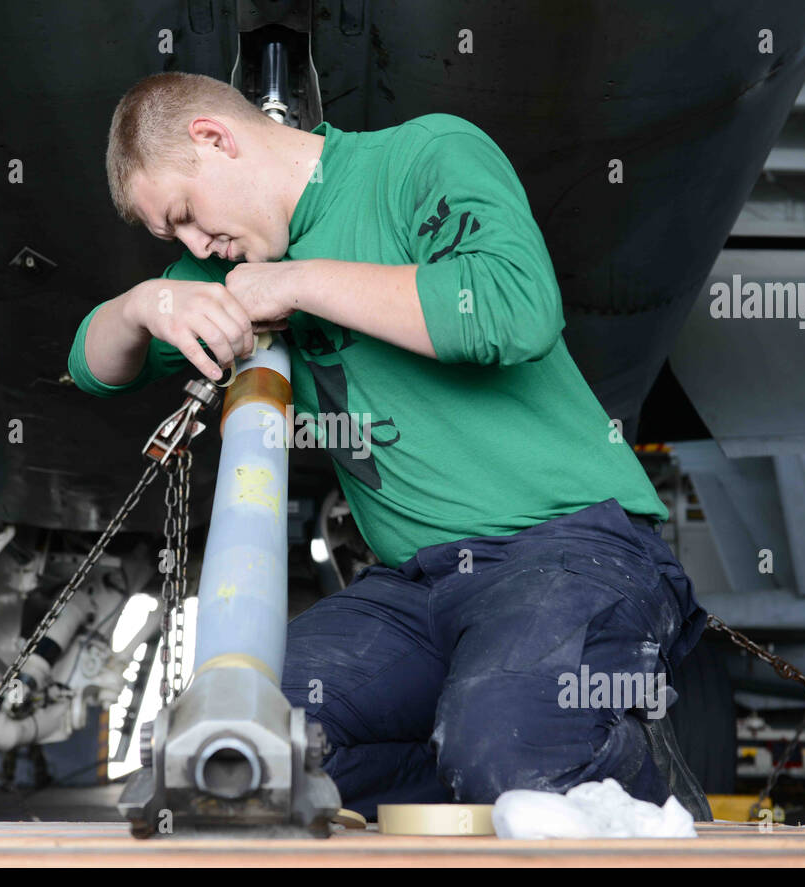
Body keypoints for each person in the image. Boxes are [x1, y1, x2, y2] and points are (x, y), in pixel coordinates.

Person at [69, 71, 711, 822]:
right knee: (243, 749)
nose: (191, 242)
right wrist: (146, 301)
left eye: (183, 214)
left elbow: (510, 307)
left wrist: (295, 284)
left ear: (214, 138)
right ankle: (483, 750)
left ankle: (625, 776)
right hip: (412, 590)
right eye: (169, 238)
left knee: (510, 749)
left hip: (566, 550)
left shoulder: (420, 156)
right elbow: (94, 366)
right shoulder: (221, 270)